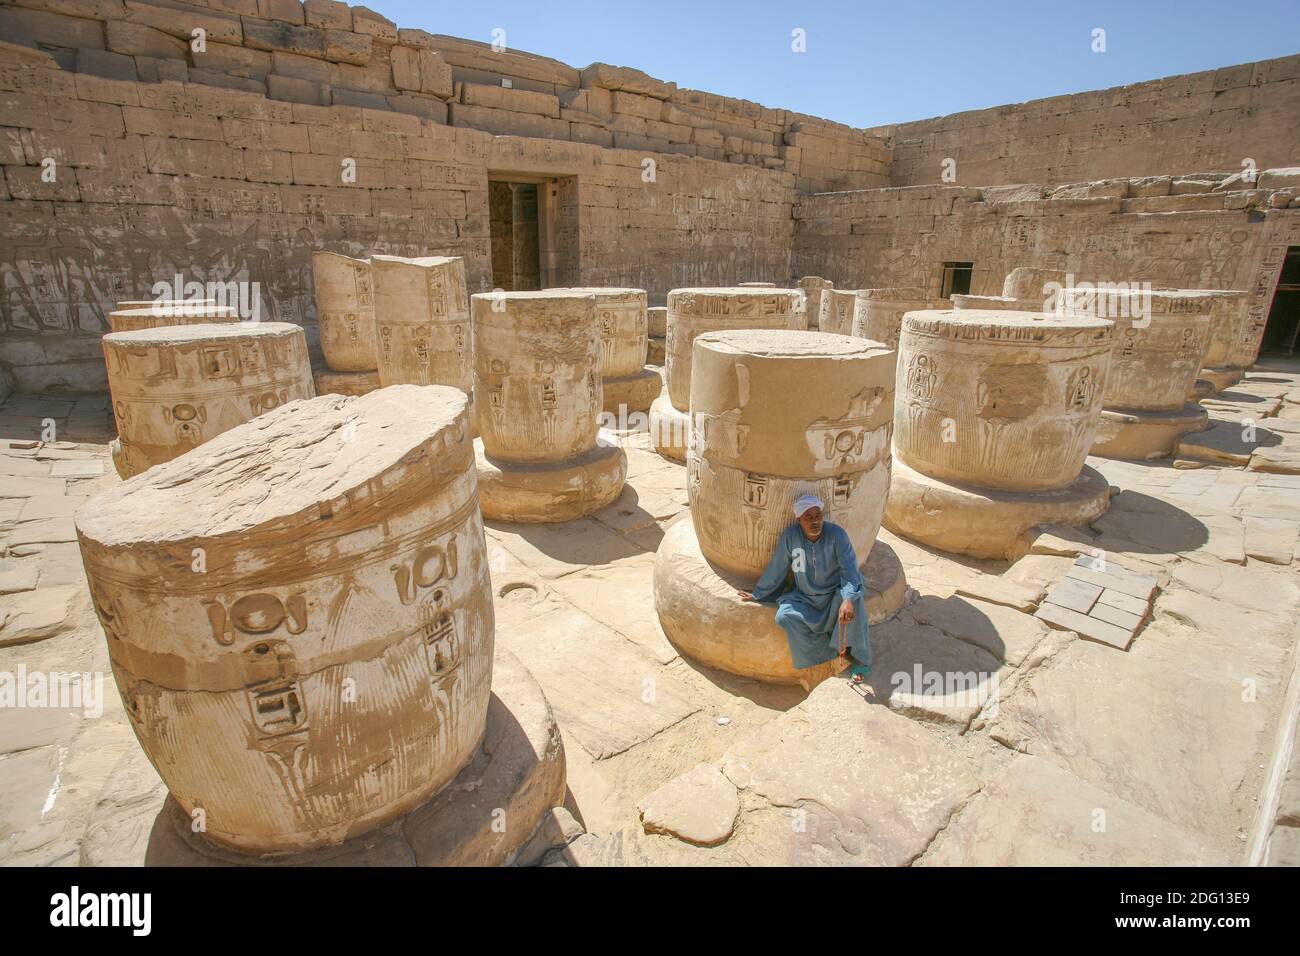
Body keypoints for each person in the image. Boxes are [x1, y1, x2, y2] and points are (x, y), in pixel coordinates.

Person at [738, 494, 872, 684]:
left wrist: (848, 598)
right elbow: (778, 568)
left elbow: (851, 571)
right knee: (784, 616)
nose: (815, 521)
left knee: (855, 601)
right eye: (808, 517)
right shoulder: (790, 537)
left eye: (818, 515)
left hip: (834, 594)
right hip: (805, 597)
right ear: (798, 519)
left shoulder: (837, 535)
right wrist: (758, 594)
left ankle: (861, 660)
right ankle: (828, 652)